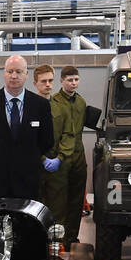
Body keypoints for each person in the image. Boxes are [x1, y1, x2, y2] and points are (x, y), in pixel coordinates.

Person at [0, 54, 55, 200]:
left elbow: (47, 140)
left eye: (19, 72)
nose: (14, 76)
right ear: (4, 73)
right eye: (10, 71)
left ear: (26, 75)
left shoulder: (40, 105)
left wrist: (28, 157)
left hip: (27, 180)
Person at [43, 67, 88, 245]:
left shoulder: (81, 103)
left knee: (76, 200)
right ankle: (57, 242)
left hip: (78, 156)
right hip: (60, 156)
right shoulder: (53, 103)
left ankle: (72, 238)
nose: (73, 83)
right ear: (61, 81)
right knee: (58, 202)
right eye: (70, 80)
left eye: (76, 79)